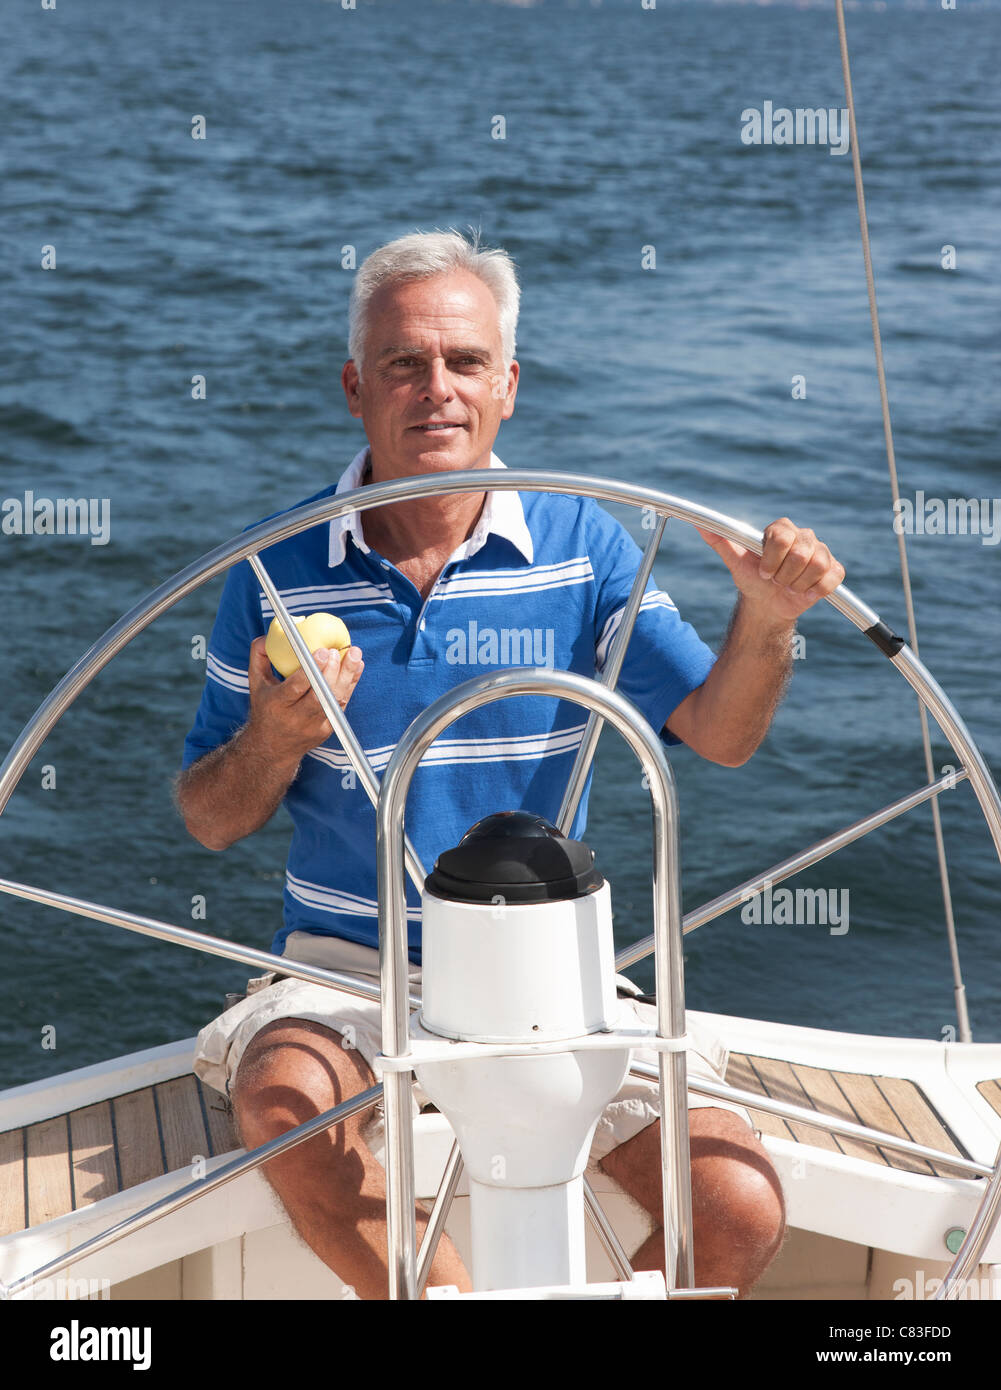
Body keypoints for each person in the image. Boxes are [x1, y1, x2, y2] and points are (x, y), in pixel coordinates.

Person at [175, 229, 845, 1300]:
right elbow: (209, 817)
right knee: (285, 1109)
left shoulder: (586, 549)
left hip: (551, 970)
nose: (434, 388)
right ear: (356, 387)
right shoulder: (273, 569)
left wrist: (764, 619)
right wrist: (274, 738)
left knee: (736, 1203)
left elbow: (719, 734)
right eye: (403, 363)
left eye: (464, 362)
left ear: (508, 386)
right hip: (348, 972)